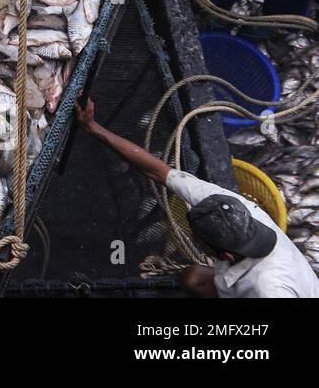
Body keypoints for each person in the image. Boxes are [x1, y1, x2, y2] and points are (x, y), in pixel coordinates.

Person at [76, 98, 319, 297]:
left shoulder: (269, 289)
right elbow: (158, 171)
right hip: (239, 278)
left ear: (226, 256)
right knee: (192, 278)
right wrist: (94, 128)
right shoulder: (234, 206)